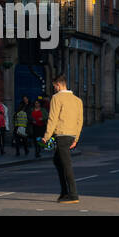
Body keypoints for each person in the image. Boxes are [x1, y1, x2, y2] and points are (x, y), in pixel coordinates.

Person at [45, 75, 84, 204]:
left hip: (61, 135)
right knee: (57, 161)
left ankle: (73, 195)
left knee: (66, 165)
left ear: (59, 85)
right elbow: (80, 121)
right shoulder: (77, 100)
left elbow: (53, 118)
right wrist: (76, 138)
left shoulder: (56, 98)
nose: (54, 89)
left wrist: (46, 136)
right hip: (71, 135)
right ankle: (64, 192)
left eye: (54, 86)